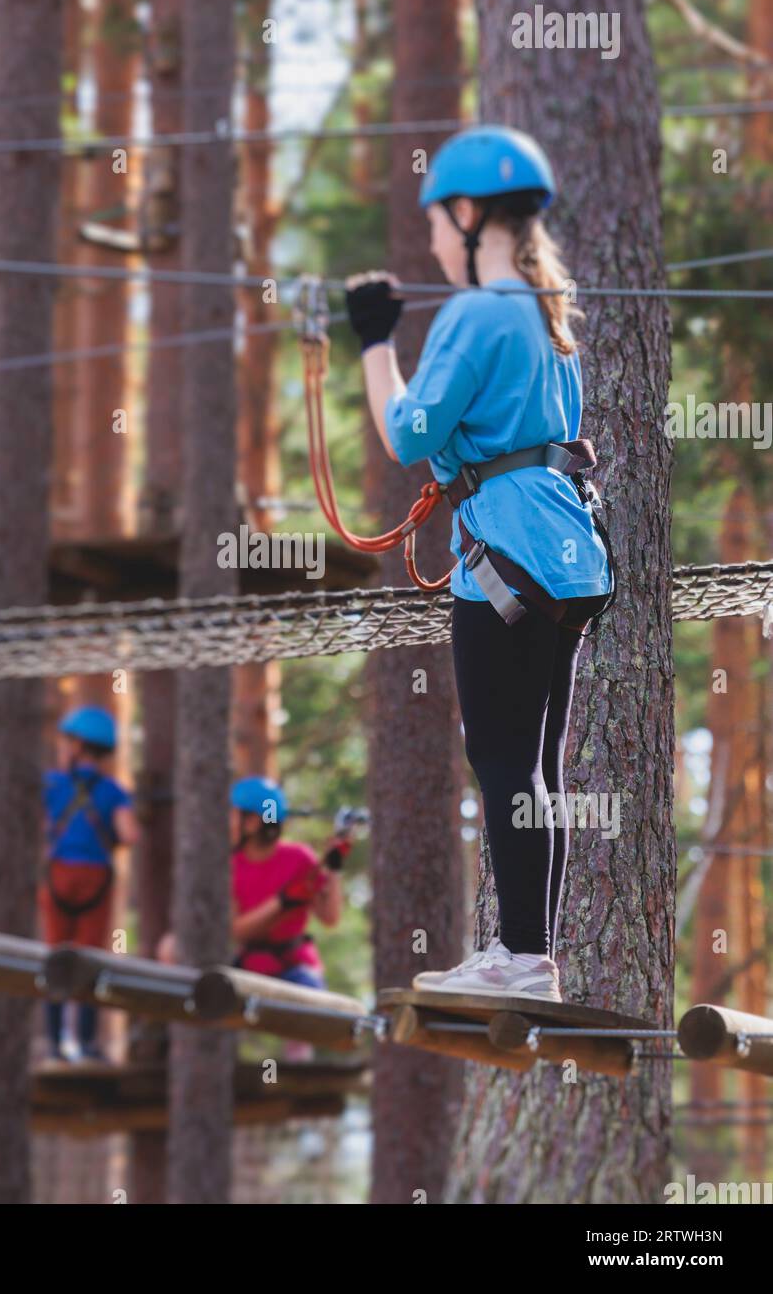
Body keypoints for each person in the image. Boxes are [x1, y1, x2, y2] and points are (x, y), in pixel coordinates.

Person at [345, 125, 614, 1003]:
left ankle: (523, 958)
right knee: (538, 763)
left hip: (504, 565)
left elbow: (408, 434)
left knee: (500, 759)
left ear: (467, 216)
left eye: (435, 224)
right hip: (566, 560)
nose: (431, 242)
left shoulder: (478, 314)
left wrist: (374, 344)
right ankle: (530, 955)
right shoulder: (548, 315)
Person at [41, 706, 140, 1060]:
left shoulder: (53, 784)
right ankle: (86, 1042)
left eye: (68, 740)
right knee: (88, 958)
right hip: (96, 880)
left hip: (57, 877)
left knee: (54, 954)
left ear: (80, 746)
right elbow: (129, 835)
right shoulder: (114, 791)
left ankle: (54, 1043)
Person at [229, 777, 344, 990]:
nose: (228, 821)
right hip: (248, 970)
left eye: (233, 814)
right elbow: (235, 931)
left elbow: (330, 917)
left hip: (297, 969)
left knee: (317, 1004)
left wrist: (334, 870)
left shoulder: (299, 859)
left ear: (252, 822)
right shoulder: (230, 867)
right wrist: (282, 902)